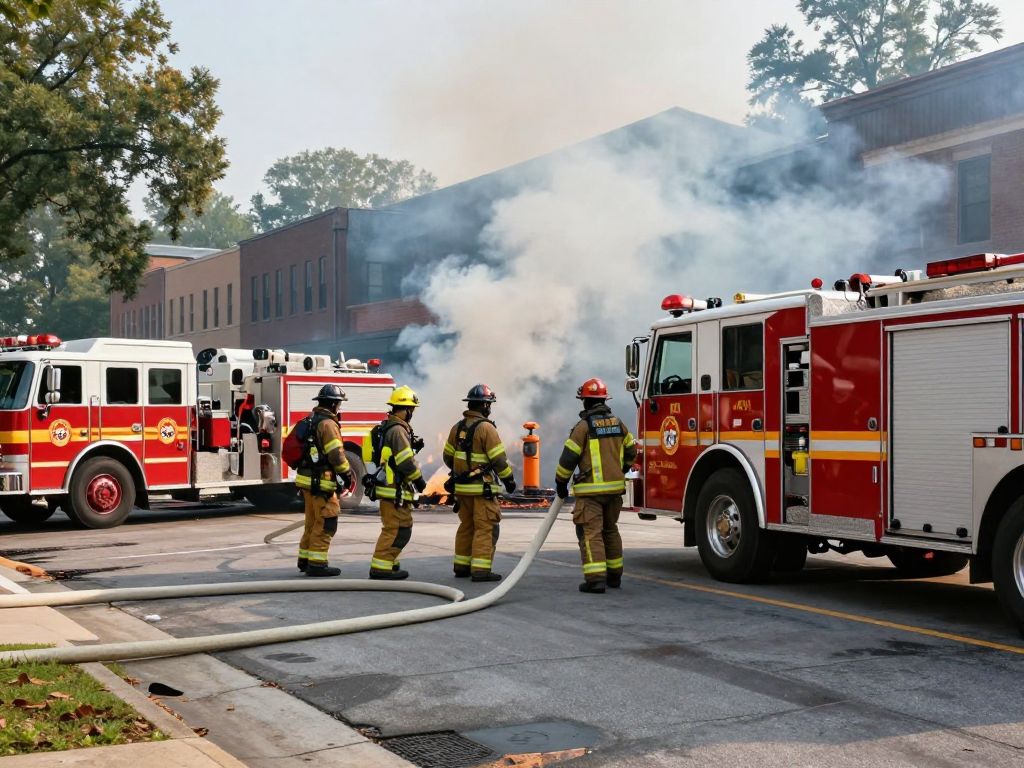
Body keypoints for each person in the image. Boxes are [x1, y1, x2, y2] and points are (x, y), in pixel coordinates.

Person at [555, 377, 637, 594]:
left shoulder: (583, 427)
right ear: (603, 400)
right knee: (611, 531)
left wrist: (560, 482)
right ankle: (614, 577)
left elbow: (568, 459)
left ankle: (595, 580)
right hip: (614, 491)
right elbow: (631, 451)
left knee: (591, 534)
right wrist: (620, 469)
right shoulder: (619, 423)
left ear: (585, 402)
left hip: (591, 493)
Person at [444, 384, 516, 582]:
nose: (489, 408)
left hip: (462, 489)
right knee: (486, 528)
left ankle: (461, 566)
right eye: (489, 405)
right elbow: (498, 459)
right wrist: (508, 479)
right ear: (484, 406)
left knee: (466, 527)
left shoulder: (456, 427)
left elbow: (447, 457)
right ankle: (481, 570)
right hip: (482, 490)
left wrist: (461, 470)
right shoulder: (486, 428)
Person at [363, 385, 426, 580]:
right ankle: (381, 567)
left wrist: (413, 448)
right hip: (394, 489)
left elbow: (393, 457)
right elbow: (405, 461)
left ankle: (389, 562)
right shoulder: (398, 430)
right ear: (406, 409)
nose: (412, 413)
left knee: (395, 527)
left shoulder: (388, 427)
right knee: (399, 529)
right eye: (411, 410)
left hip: (389, 487)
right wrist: (419, 480)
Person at [295, 384, 355, 577]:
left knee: (312, 523)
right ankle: (317, 564)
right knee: (327, 522)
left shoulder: (311, 420)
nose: (339, 408)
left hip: (307, 481)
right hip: (321, 482)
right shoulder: (328, 424)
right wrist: (346, 474)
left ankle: (305, 559)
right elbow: (336, 454)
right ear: (333, 404)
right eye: (338, 404)